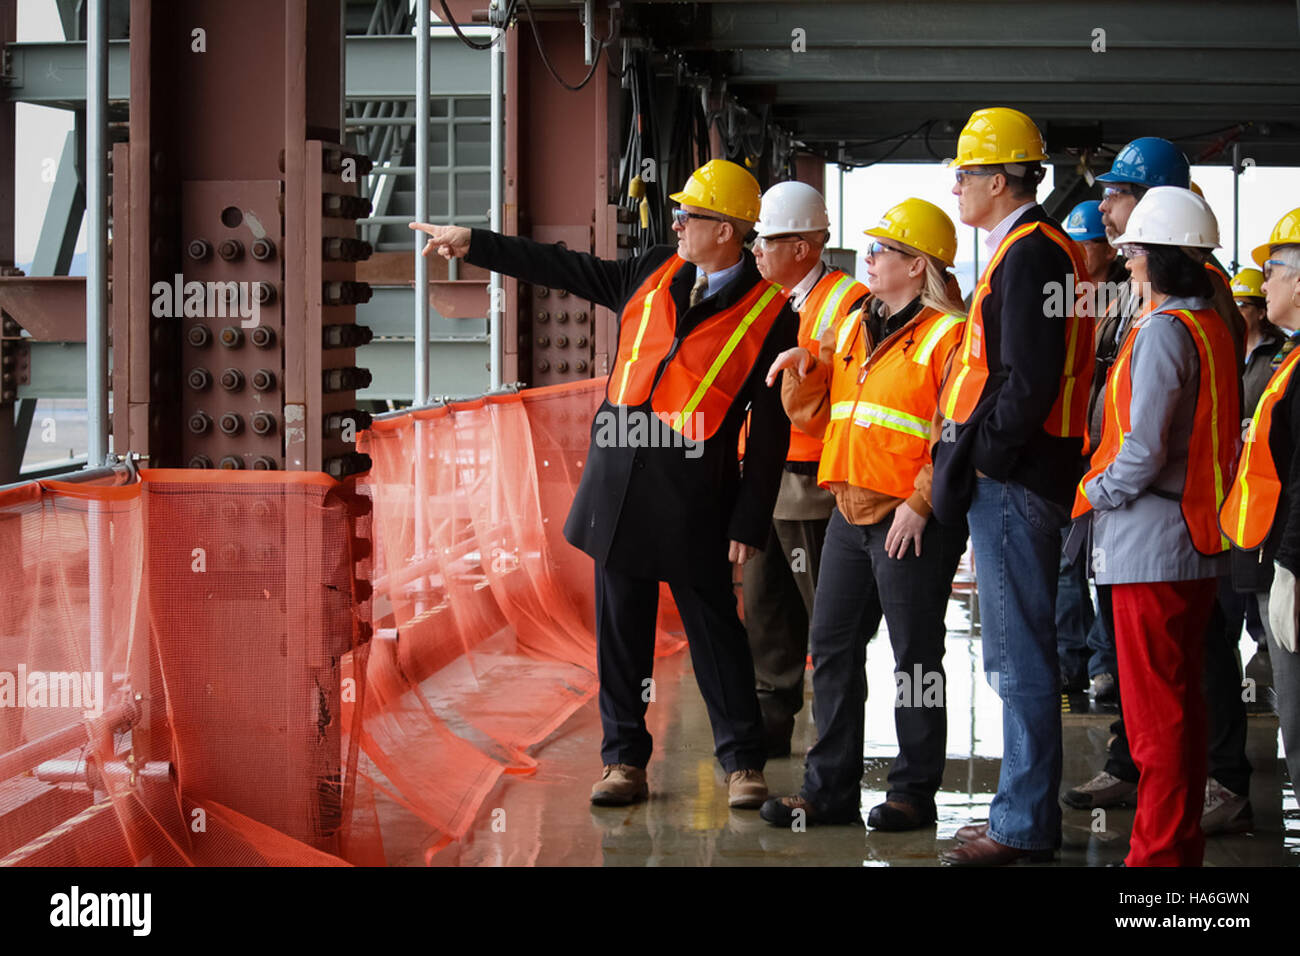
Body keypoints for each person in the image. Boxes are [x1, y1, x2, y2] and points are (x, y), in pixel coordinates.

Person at [409, 159, 799, 810]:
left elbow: (770, 432)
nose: (677, 223)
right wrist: (472, 241)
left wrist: (748, 519)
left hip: (696, 497)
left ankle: (742, 764)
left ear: (728, 231)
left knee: (716, 632)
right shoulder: (651, 269)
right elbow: (565, 268)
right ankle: (623, 761)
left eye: (691, 216)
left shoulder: (772, 315)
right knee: (620, 631)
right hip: (618, 484)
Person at [758, 198, 969, 829]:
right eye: (871, 248)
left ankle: (912, 792)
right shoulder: (853, 326)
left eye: (881, 250)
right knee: (832, 647)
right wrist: (804, 370)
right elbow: (818, 416)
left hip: (909, 519)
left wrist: (921, 504)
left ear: (917, 266)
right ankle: (828, 792)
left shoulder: (948, 336)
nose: (868, 258)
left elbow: (954, 433)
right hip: (850, 510)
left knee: (915, 659)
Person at [1064, 139, 1253, 834]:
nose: (1125, 253)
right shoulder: (1203, 321)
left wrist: (1095, 491)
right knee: (1174, 708)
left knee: (1158, 721)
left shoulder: (1169, 328)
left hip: (1149, 537)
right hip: (1188, 533)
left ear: (1161, 252)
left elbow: (1143, 451)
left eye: (1136, 248)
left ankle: (1159, 863)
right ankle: (1170, 854)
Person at [929, 106, 1093, 865]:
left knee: (1016, 657)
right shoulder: (1027, 251)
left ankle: (1022, 825)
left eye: (966, 174)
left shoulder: (1030, 255)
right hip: (1019, 476)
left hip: (1016, 480)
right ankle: (1018, 815)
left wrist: (984, 460)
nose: (957, 186)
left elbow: (1025, 385)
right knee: (1015, 652)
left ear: (1000, 179)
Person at [744, 180, 871, 758]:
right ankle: (772, 719)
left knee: (828, 620)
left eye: (767, 241)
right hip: (765, 478)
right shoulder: (765, 297)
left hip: (814, 481)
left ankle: (833, 740)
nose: (757, 251)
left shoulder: (848, 302)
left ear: (804, 246)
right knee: (766, 605)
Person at [1221, 206, 1300, 809]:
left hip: (1289, 563)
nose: (1264, 283)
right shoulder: (1290, 359)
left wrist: (1291, 567)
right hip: (1267, 554)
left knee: (1297, 724)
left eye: (1271, 270)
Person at [1055, 201, 1114, 694]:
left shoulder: (1124, 300)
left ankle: (1102, 662)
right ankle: (1073, 660)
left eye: (1085, 243)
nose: (1076, 252)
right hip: (1073, 447)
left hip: (1105, 451)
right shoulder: (1070, 297)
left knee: (1102, 563)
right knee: (1067, 560)